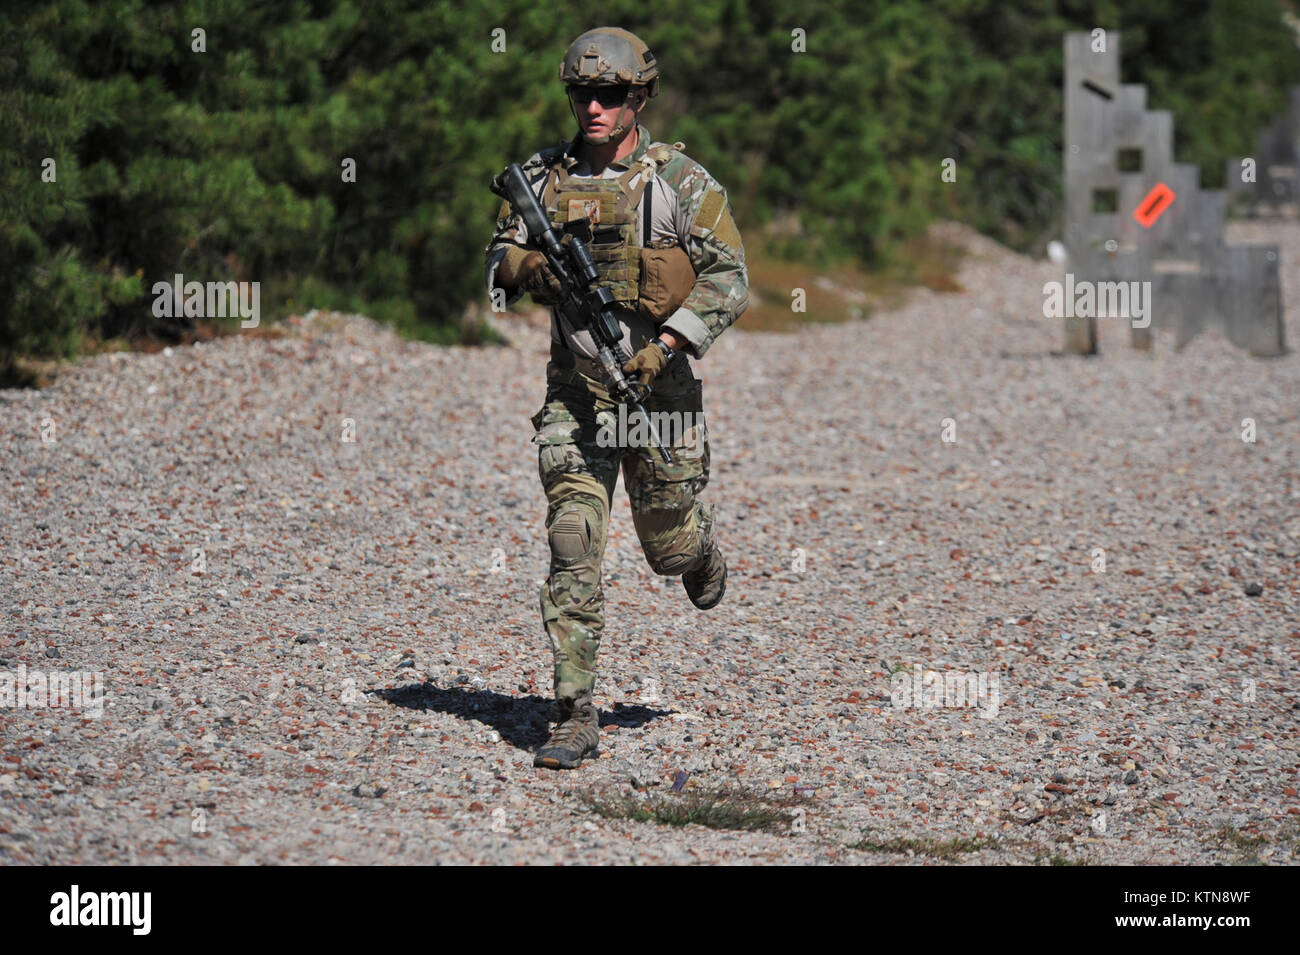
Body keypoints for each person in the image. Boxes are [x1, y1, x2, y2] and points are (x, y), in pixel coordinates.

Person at [483, 26, 748, 769]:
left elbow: (732, 278)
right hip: (577, 390)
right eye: (581, 94)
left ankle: (699, 549)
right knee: (574, 540)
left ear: (640, 97)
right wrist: (528, 270)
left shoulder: (681, 184)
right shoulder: (539, 180)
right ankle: (572, 711)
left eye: (610, 95)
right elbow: (496, 261)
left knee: (669, 546)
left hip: (659, 390)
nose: (593, 107)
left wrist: (666, 346)